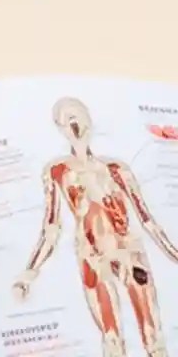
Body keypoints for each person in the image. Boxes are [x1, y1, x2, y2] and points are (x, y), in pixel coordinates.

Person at [14, 97, 178, 357]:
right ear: (59, 128)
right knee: (111, 339)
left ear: (90, 118)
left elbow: (146, 219)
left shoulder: (116, 168)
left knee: (153, 336)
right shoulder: (58, 170)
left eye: (77, 115)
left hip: (129, 251)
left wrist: (173, 253)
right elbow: (51, 228)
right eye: (66, 120)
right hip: (92, 256)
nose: (74, 123)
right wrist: (29, 272)